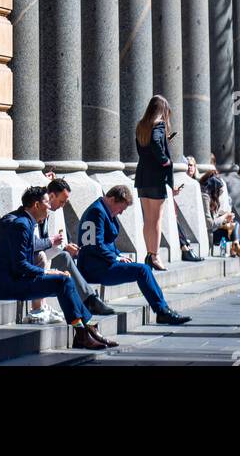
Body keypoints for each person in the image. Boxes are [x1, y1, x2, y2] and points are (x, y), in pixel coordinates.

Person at [0, 186, 115, 351]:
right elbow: (20, 265)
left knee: (64, 280)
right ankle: (83, 332)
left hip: (14, 280)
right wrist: (46, 271)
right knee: (62, 281)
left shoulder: (25, 221)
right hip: (6, 285)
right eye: (46, 203)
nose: (50, 207)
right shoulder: (21, 224)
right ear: (36, 205)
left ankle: (85, 329)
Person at [77, 184, 191, 325]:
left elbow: (108, 243)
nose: (121, 213)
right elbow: (95, 245)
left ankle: (163, 309)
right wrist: (116, 257)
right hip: (95, 268)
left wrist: (119, 255)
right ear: (112, 199)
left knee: (144, 269)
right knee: (143, 270)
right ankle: (162, 311)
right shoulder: (97, 211)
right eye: (121, 208)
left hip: (103, 263)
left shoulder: (104, 210)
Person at [25, 177, 115, 322]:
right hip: (29, 261)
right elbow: (32, 244)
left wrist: (64, 246)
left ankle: (86, 303)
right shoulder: (34, 211)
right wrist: (55, 244)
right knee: (57, 258)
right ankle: (84, 305)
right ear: (52, 196)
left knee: (64, 257)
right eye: (62, 201)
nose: (63, 205)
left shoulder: (48, 212)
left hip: (39, 257)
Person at [134, 95, 183, 272]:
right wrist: (165, 161)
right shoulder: (159, 124)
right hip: (156, 177)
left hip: (142, 176)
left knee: (148, 219)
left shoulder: (141, 125)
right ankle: (154, 256)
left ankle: (149, 254)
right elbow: (155, 142)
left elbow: (147, 147)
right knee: (156, 219)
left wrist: (164, 143)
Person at [202, 173, 236, 251]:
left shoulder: (214, 200)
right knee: (235, 227)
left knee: (236, 227)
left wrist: (226, 219)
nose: (221, 193)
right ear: (215, 189)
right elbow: (211, 224)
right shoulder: (205, 198)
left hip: (216, 231)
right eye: (220, 190)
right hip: (211, 234)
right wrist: (225, 215)